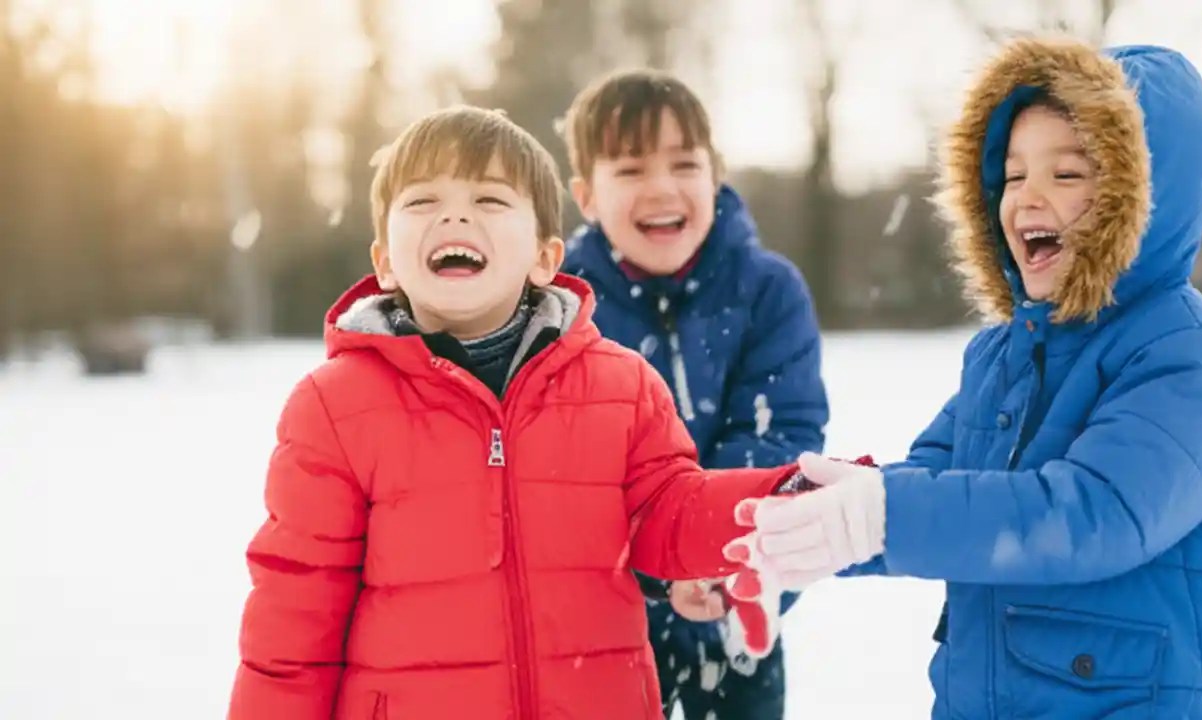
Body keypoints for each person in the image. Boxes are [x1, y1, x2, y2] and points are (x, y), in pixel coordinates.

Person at [729, 38, 1202, 720]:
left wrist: (878, 518)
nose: (1026, 198)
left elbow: (1091, 514)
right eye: (1011, 177)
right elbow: (932, 478)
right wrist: (818, 516)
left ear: (1142, 200)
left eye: (1066, 175)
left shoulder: (1183, 355)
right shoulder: (1004, 354)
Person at [227, 105, 798, 720]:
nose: (455, 215)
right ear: (386, 261)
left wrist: (783, 496)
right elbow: (294, 618)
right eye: (422, 202)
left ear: (545, 258)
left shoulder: (622, 386)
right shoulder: (336, 408)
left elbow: (671, 514)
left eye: (490, 201)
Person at [561, 68, 828, 719]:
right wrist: (658, 572)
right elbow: (566, 476)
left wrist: (711, 561)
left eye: (684, 164)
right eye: (628, 170)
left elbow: (780, 439)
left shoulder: (767, 291)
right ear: (586, 195)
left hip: (737, 610)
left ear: (716, 174)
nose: (661, 188)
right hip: (599, 631)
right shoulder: (560, 307)